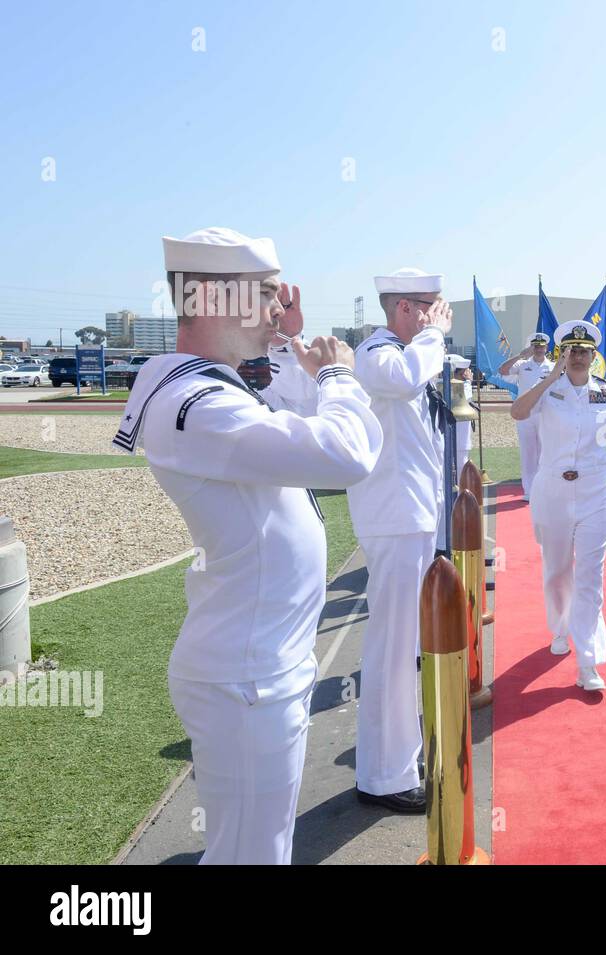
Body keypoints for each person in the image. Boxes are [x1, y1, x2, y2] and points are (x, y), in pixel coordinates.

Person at [114, 227, 383, 863]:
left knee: (256, 847)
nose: (277, 306)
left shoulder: (210, 385)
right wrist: (340, 377)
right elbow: (344, 453)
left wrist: (285, 337)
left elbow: (285, 405)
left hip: (259, 662)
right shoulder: (197, 402)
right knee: (251, 854)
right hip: (247, 673)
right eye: (265, 294)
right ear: (209, 298)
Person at [348, 267, 454, 812]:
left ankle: (396, 760)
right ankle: (384, 776)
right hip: (392, 519)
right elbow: (407, 378)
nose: (441, 315)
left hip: (410, 517)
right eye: (433, 306)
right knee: (392, 650)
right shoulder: (379, 354)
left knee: (404, 647)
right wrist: (433, 335)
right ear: (404, 309)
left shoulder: (402, 354)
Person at [509, 320, 606, 691]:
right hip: (553, 492)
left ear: (594, 356)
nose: (578, 357)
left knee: (590, 577)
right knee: (557, 571)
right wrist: (551, 377)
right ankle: (560, 627)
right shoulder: (547, 390)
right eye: (571, 351)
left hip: (597, 492)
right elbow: (518, 413)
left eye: (584, 351)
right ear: (560, 354)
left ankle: (587, 661)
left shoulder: (605, 393)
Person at [500, 333, 555, 503]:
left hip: (546, 413)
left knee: (546, 453)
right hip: (526, 413)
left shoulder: (553, 366)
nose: (539, 349)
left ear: (547, 347)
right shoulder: (522, 365)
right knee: (528, 453)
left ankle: (544, 489)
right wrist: (520, 355)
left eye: (541, 346)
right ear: (531, 347)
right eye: (535, 346)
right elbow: (502, 370)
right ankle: (529, 491)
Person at [447, 354, 477, 481]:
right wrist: (469, 382)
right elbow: (466, 397)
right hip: (459, 426)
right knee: (461, 459)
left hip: (453, 427)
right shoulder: (462, 385)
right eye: (464, 372)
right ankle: (460, 491)